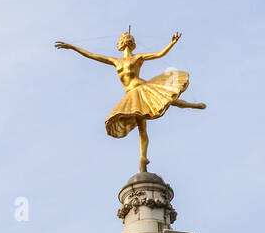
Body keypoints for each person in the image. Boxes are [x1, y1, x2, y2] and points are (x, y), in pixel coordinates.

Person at [55, 30, 206, 171]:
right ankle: (143, 157)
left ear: (129, 43)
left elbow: (159, 54)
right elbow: (93, 55)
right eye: (123, 40)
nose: (124, 42)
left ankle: (193, 105)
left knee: (167, 99)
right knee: (143, 127)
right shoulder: (115, 61)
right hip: (131, 94)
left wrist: (171, 43)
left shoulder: (137, 58)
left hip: (141, 87)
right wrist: (72, 47)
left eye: (126, 40)